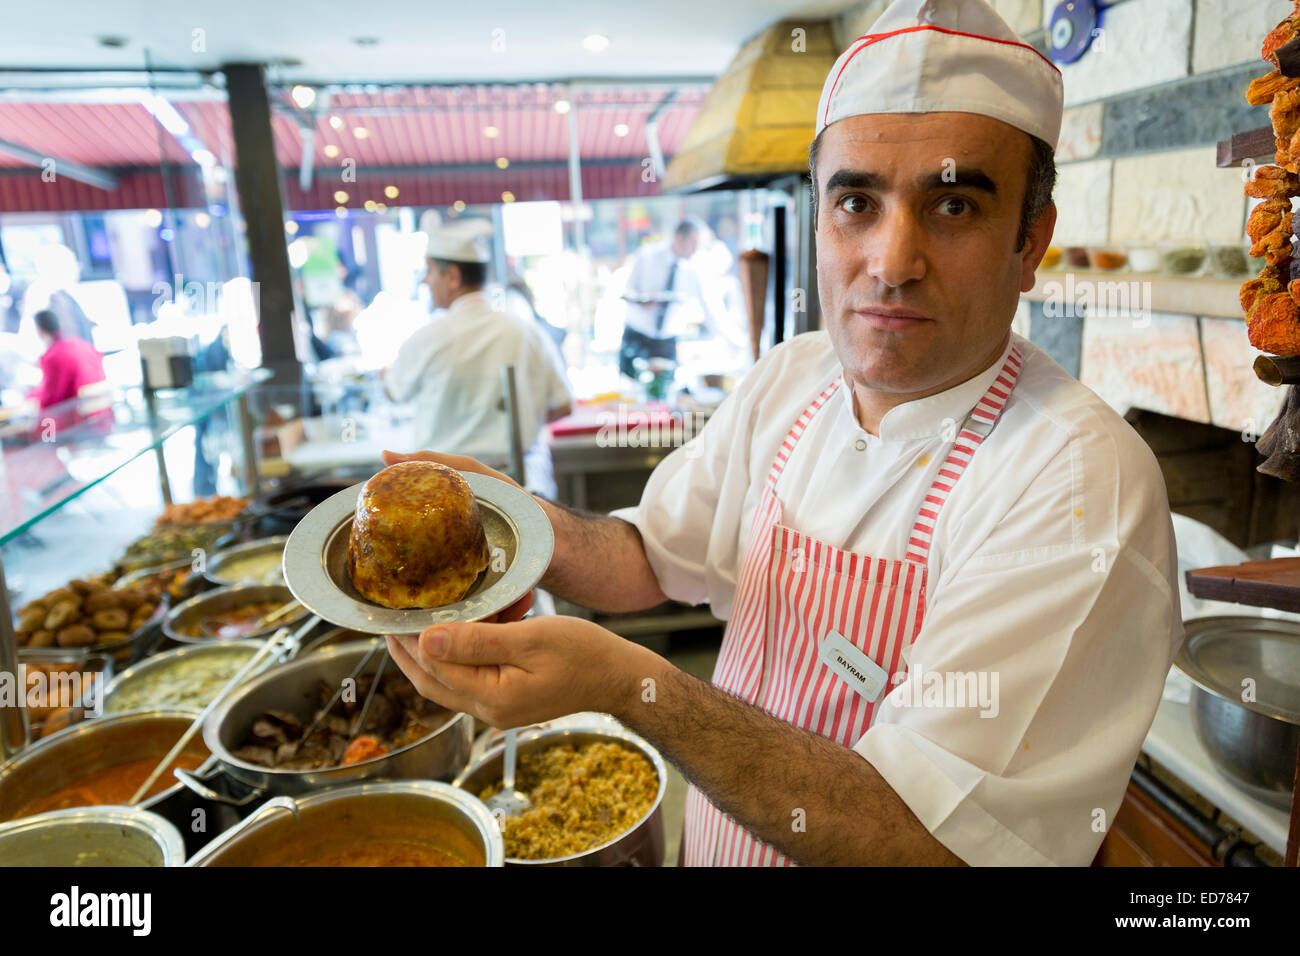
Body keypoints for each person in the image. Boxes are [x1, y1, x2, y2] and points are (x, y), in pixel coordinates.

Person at [381, 0, 1181, 867]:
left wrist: (630, 685)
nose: (891, 261)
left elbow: (926, 837)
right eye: (857, 202)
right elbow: (650, 555)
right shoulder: (793, 379)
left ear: (1031, 242)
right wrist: (507, 518)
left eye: (952, 206)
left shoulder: (1074, 482)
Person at [383, 215, 573, 495]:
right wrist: (519, 418)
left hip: (446, 489)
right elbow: (563, 404)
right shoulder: (526, 331)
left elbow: (393, 390)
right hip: (522, 484)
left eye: (430, 271)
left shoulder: (427, 337)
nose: (425, 280)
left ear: (453, 277)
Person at [618, 218, 708, 378]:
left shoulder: (694, 269)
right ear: (679, 238)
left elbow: (709, 307)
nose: (694, 250)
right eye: (692, 243)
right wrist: (642, 301)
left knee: (665, 392)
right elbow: (626, 291)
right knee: (630, 387)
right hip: (638, 334)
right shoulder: (647, 256)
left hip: (666, 341)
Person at [32, 309, 106, 412]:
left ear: (39, 329)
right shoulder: (84, 345)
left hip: (76, 421)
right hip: (103, 417)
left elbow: (49, 402)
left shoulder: (52, 357)